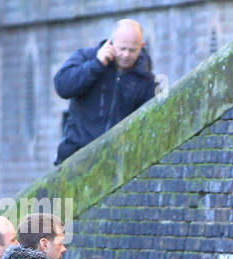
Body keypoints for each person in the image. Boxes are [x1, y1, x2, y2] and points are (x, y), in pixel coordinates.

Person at [53, 19, 156, 164]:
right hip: (76, 156)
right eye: (122, 49)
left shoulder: (145, 79)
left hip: (118, 161)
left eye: (132, 50)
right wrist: (96, 65)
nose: (126, 55)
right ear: (111, 43)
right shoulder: (86, 57)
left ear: (142, 46)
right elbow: (62, 87)